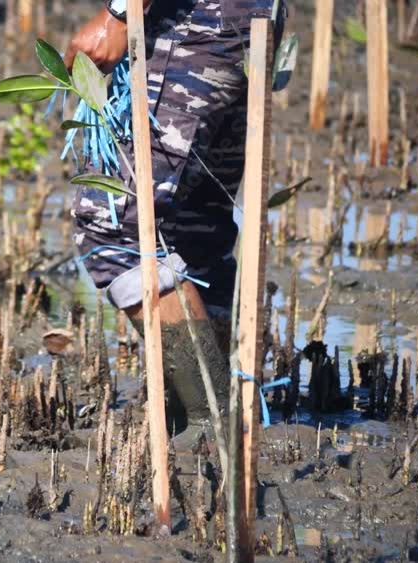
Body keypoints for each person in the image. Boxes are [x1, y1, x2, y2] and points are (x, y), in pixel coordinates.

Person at [64, 0, 285, 444]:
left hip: (196, 20)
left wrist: (119, 14)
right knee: (193, 222)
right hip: (245, 19)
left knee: (118, 225)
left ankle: (213, 421)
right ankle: (210, 415)